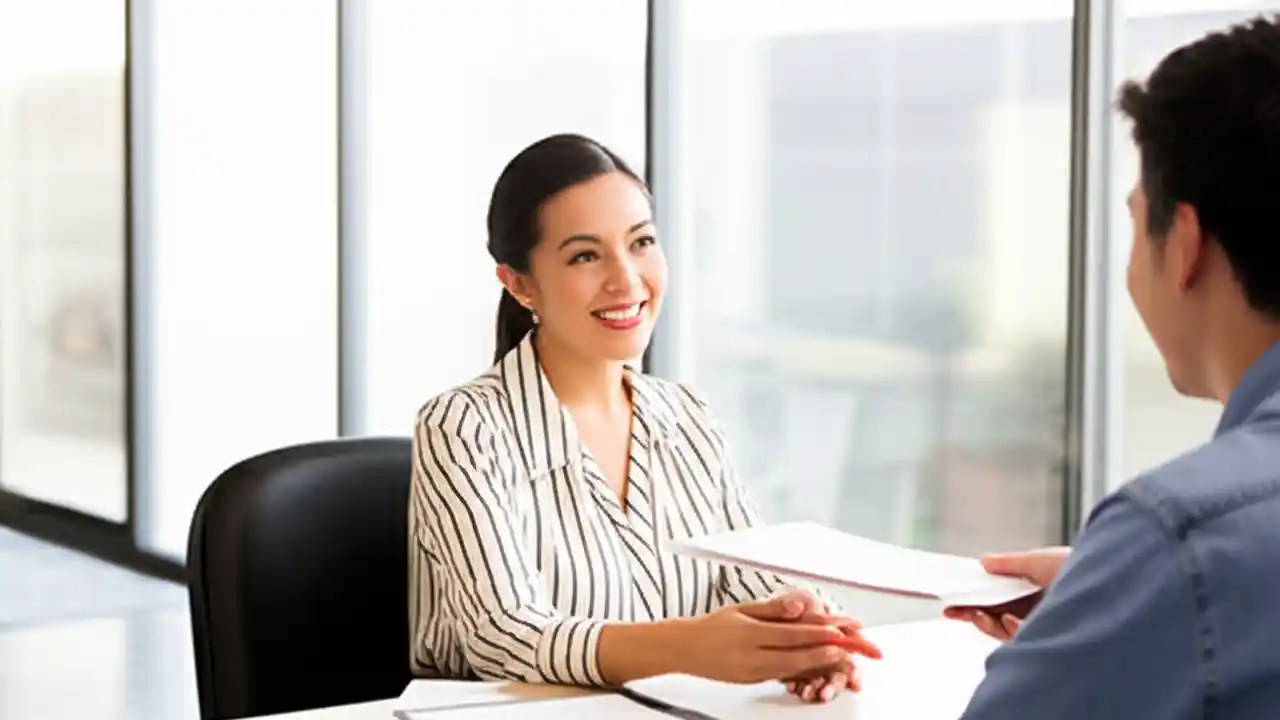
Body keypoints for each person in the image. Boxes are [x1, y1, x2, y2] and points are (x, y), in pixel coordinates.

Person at [407, 134, 880, 701]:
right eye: (585, 255)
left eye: (642, 242)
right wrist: (690, 647)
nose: (626, 279)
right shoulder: (463, 428)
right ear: (520, 283)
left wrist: (806, 634)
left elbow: (756, 575)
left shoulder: (686, 416)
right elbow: (504, 636)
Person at [946, 15, 1280, 718]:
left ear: (1184, 242)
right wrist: (1117, 598)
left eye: (1135, 223)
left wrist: (1144, 583)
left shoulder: (1179, 533)